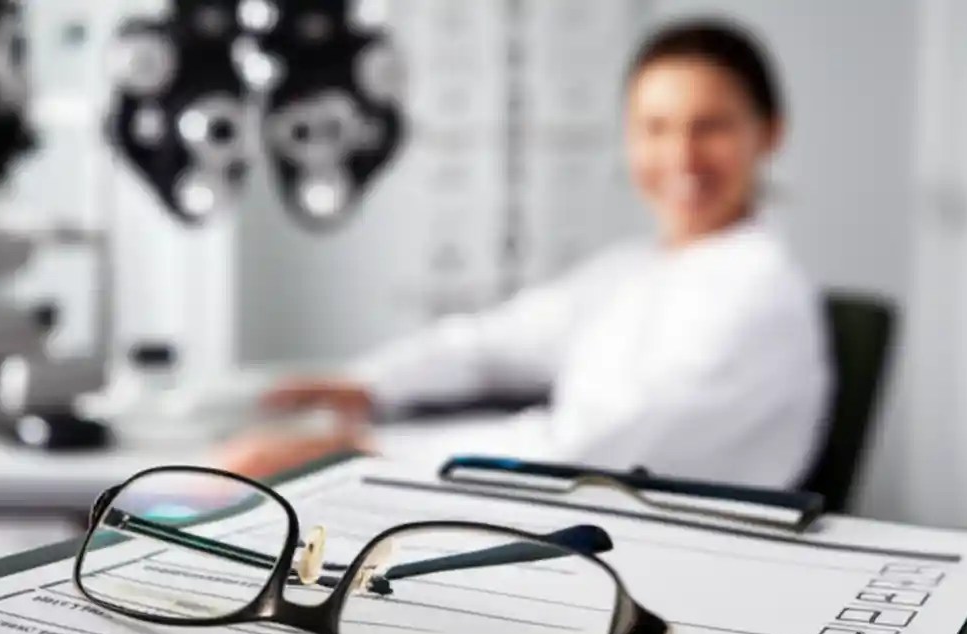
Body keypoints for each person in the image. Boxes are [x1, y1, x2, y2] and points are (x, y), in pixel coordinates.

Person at [218, 19, 831, 490]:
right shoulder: (637, 269)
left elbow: (589, 445)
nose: (682, 157)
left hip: (673, 556)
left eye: (711, 126)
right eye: (656, 127)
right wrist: (366, 385)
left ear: (769, 133)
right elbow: (496, 343)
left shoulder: (759, 292)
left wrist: (366, 451)